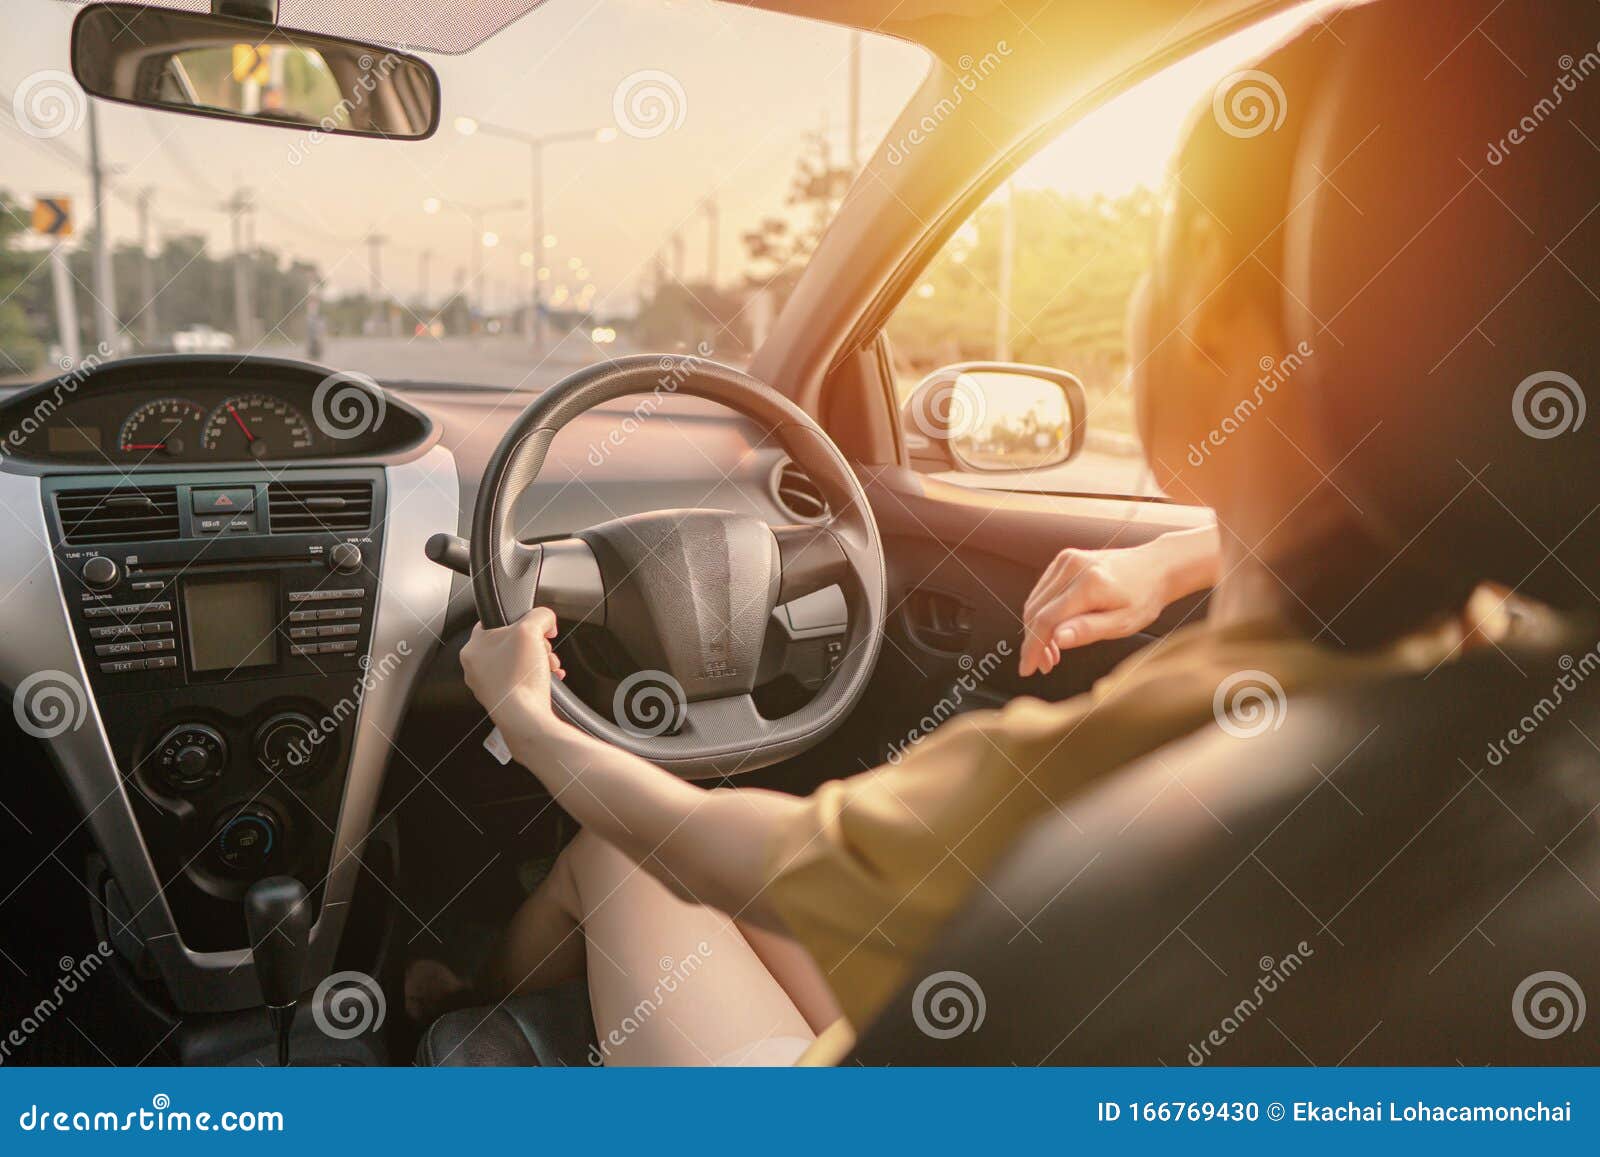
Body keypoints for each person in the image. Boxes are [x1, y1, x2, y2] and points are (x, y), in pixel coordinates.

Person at [410, 8, 1529, 1065]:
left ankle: (449, 1019)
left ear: (1211, 310)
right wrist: (1175, 558)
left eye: (1153, 264)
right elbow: (1374, 509)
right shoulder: (1513, 658)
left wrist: (528, 714)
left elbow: (726, 854)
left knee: (624, 849)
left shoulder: (1128, 757)